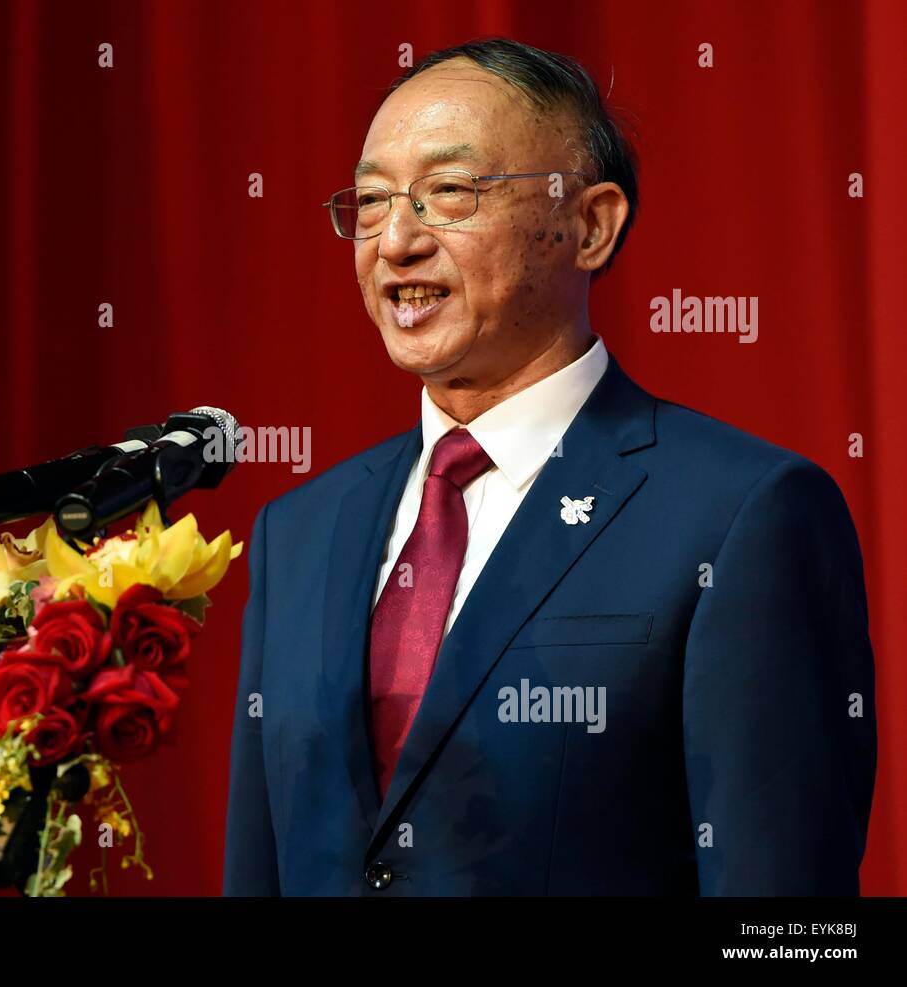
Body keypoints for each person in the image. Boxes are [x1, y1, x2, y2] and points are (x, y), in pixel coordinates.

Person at [222, 38, 876, 895]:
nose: (397, 241)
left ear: (590, 225)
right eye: (372, 201)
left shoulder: (743, 514)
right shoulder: (298, 530)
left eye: (449, 193)